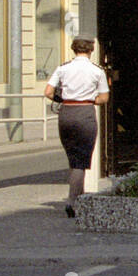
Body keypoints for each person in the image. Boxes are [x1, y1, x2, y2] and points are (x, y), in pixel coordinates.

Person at [44, 37, 110, 217]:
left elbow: (48, 92)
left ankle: (79, 200)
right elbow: (104, 98)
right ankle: (72, 201)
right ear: (91, 50)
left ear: (74, 49)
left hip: (66, 112)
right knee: (81, 160)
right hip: (85, 112)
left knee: (73, 158)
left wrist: (63, 99)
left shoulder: (63, 68)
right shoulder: (97, 71)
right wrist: (90, 100)